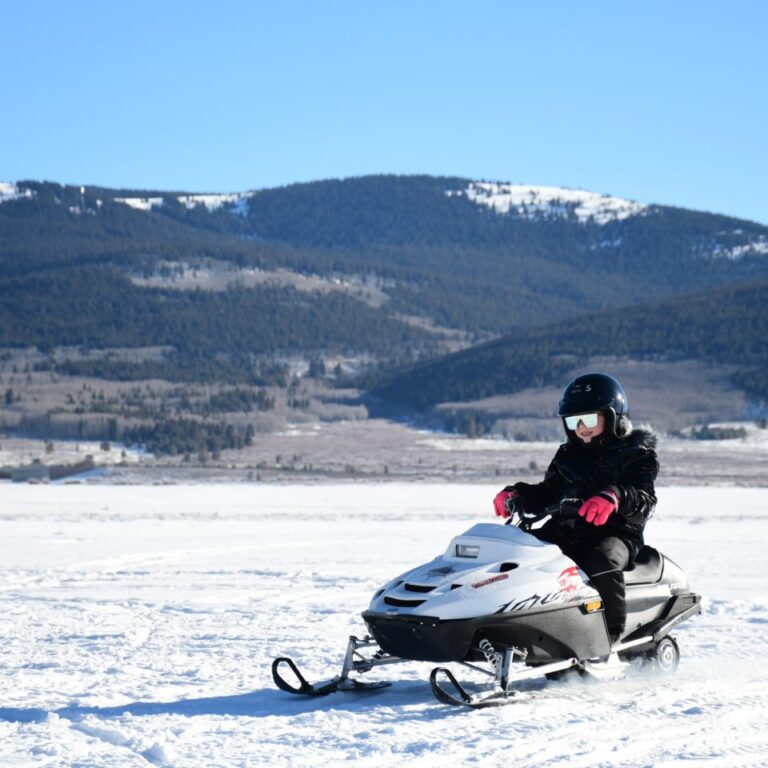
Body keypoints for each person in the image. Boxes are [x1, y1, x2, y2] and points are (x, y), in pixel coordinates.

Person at [493, 372, 658, 644]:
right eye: (574, 420)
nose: (582, 427)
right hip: (566, 530)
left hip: (616, 534)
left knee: (599, 559)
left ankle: (610, 636)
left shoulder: (637, 454)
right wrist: (517, 494)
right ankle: (512, 620)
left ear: (613, 418)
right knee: (520, 551)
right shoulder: (568, 456)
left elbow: (645, 500)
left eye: (589, 419)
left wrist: (615, 496)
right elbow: (547, 492)